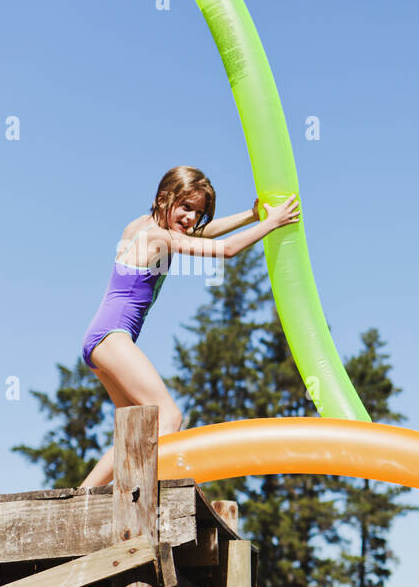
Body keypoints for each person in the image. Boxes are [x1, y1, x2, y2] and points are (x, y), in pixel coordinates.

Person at [78, 165, 299, 488]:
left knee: (133, 433)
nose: (191, 218)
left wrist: (250, 216)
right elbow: (226, 249)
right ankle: (133, 494)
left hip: (98, 341)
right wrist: (271, 222)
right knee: (169, 417)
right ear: (163, 199)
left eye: (198, 212)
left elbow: (203, 234)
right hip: (112, 338)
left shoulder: (141, 227)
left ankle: (82, 496)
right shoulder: (158, 237)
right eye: (185, 207)